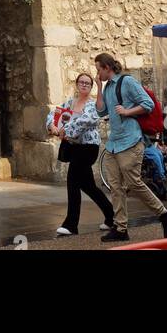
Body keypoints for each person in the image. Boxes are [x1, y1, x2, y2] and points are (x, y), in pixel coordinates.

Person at [94, 53, 167, 243]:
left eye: (98, 69)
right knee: (115, 187)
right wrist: (98, 88)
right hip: (114, 143)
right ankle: (121, 229)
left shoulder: (127, 82)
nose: (97, 73)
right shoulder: (107, 88)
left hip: (131, 141)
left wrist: (127, 111)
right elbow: (100, 111)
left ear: (107, 67)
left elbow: (147, 103)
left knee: (133, 183)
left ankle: (163, 214)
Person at [46, 72, 114, 237]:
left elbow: (87, 121)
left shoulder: (92, 105)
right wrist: (52, 126)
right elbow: (53, 115)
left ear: (91, 87)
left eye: (88, 83)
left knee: (72, 182)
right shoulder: (69, 102)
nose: (84, 85)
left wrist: (64, 130)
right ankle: (112, 216)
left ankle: (71, 224)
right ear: (77, 84)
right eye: (82, 82)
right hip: (74, 148)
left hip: (88, 148)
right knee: (88, 186)